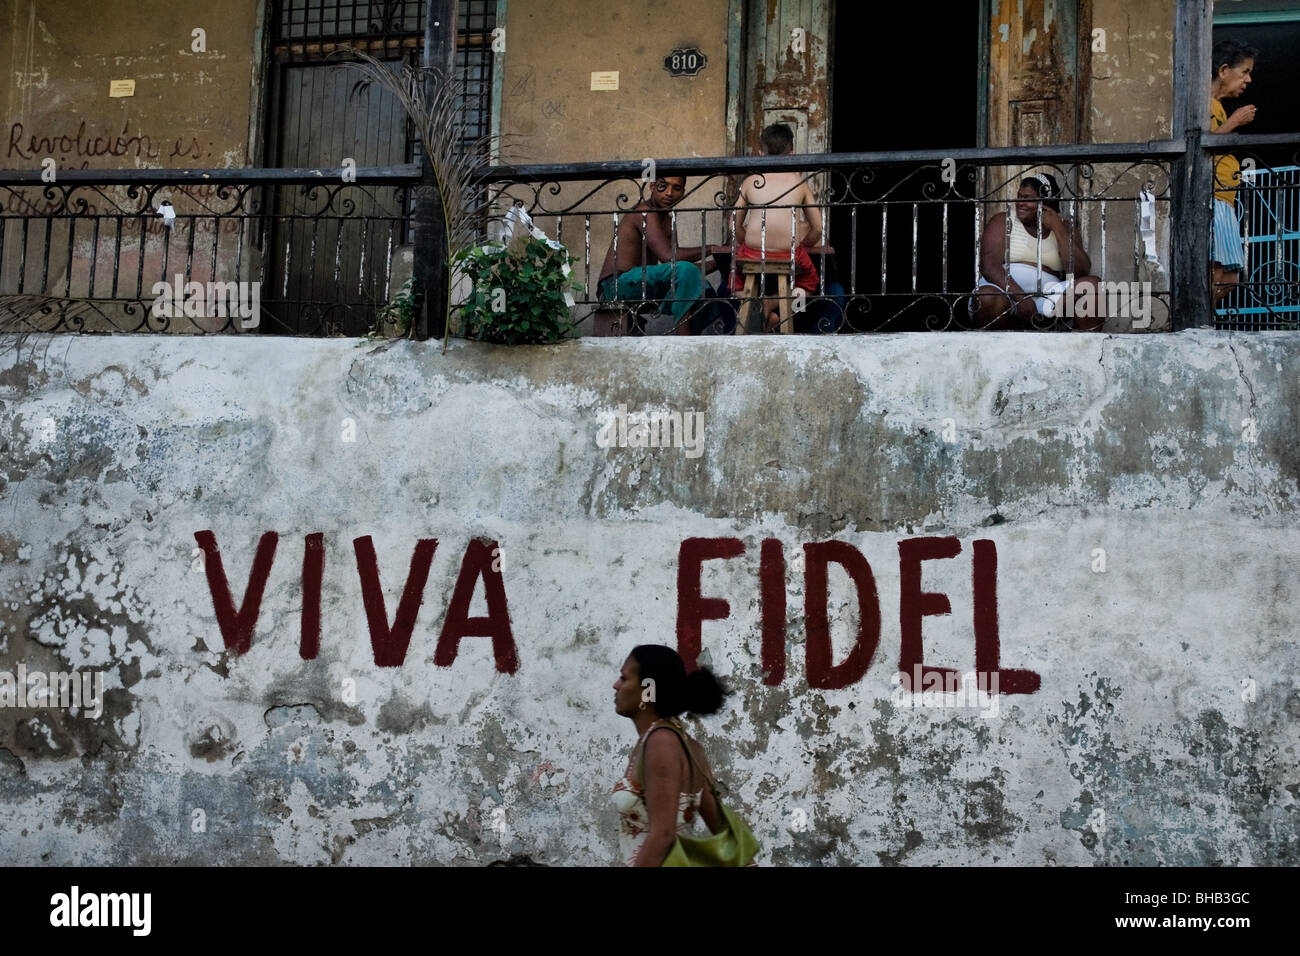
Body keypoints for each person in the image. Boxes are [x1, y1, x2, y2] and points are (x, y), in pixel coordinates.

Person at [610, 644, 742, 866]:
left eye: (624, 678)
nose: (616, 685)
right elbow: (725, 830)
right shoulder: (680, 742)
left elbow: (663, 836)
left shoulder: (661, 742)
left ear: (648, 690)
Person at [971, 172, 1104, 331]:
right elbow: (989, 266)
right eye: (1020, 197)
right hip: (1005, 293)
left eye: (1028, 198)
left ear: (1045, 202)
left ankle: (1085, 351)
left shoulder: (1065, 228)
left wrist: (1057, 227)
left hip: (1047, 297)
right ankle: (996, 352)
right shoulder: (1003, 220)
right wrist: (1021, 298)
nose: (1020, 203)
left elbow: (1081, 271)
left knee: (1093, 286)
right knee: (987, 297)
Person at [731, 123, 825, 329]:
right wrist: (804, 243)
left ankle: (756, 304)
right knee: (810, 282)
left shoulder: (750, 181)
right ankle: (774, 305)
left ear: (759, 153)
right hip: (788, 253)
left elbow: (733, 224)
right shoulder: (798, 182)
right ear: (791, 153)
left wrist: (745, 241)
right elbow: (818, 228)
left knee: (734, 280)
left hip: (753, 252)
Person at [596, 175, 717, 333]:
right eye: (663, 186)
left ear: (683, 193)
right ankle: (683, 341)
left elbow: (678, 267)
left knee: (700, 285)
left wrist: (719, 262)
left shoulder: (668, 220)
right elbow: (669, 256)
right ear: (652, 186)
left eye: (676, 188)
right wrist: (712, 248)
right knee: (686, 272)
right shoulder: (645, 211)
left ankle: (693, 341)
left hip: (642, 283)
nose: (669, 192)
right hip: (615, 286)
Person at [1209, 39, 1258, 308]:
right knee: (1216, 272)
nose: (1248, 79)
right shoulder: (1201, 102)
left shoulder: (1217, 106)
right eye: (1245, 72)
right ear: (1224, 70)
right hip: (1211, 199)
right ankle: (1198, 322)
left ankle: (1205, 319)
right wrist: (1234, 122)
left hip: (1224, 201)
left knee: (1229, 276)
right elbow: (1201, 142)